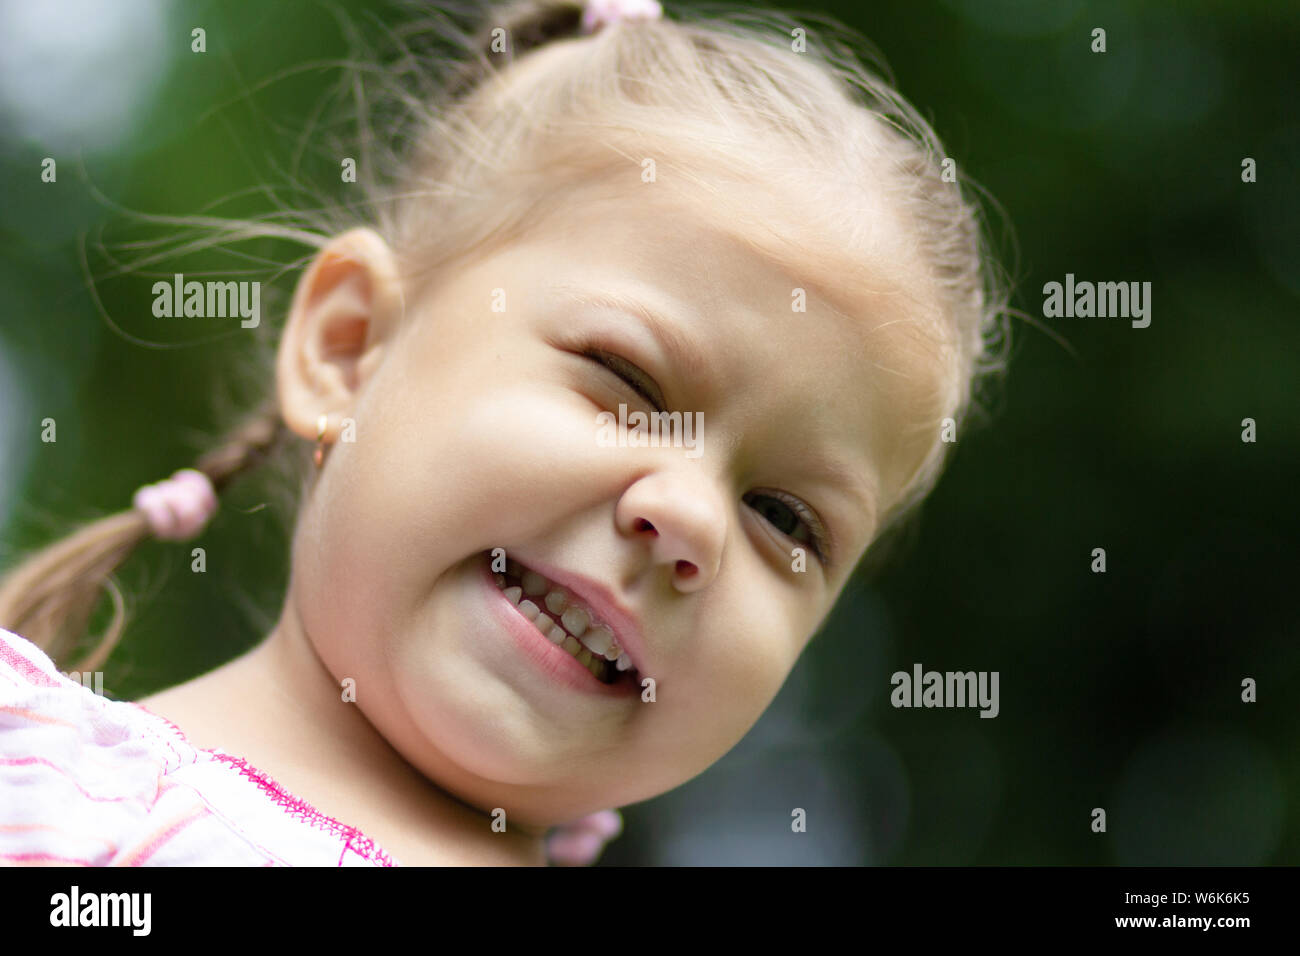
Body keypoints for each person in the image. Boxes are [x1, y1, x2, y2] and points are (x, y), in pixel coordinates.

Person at [0, 0, 1009, 865]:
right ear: (349, 349)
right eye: (628, 381)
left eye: (784, 517)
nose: (690, 514)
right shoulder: (45, 797)